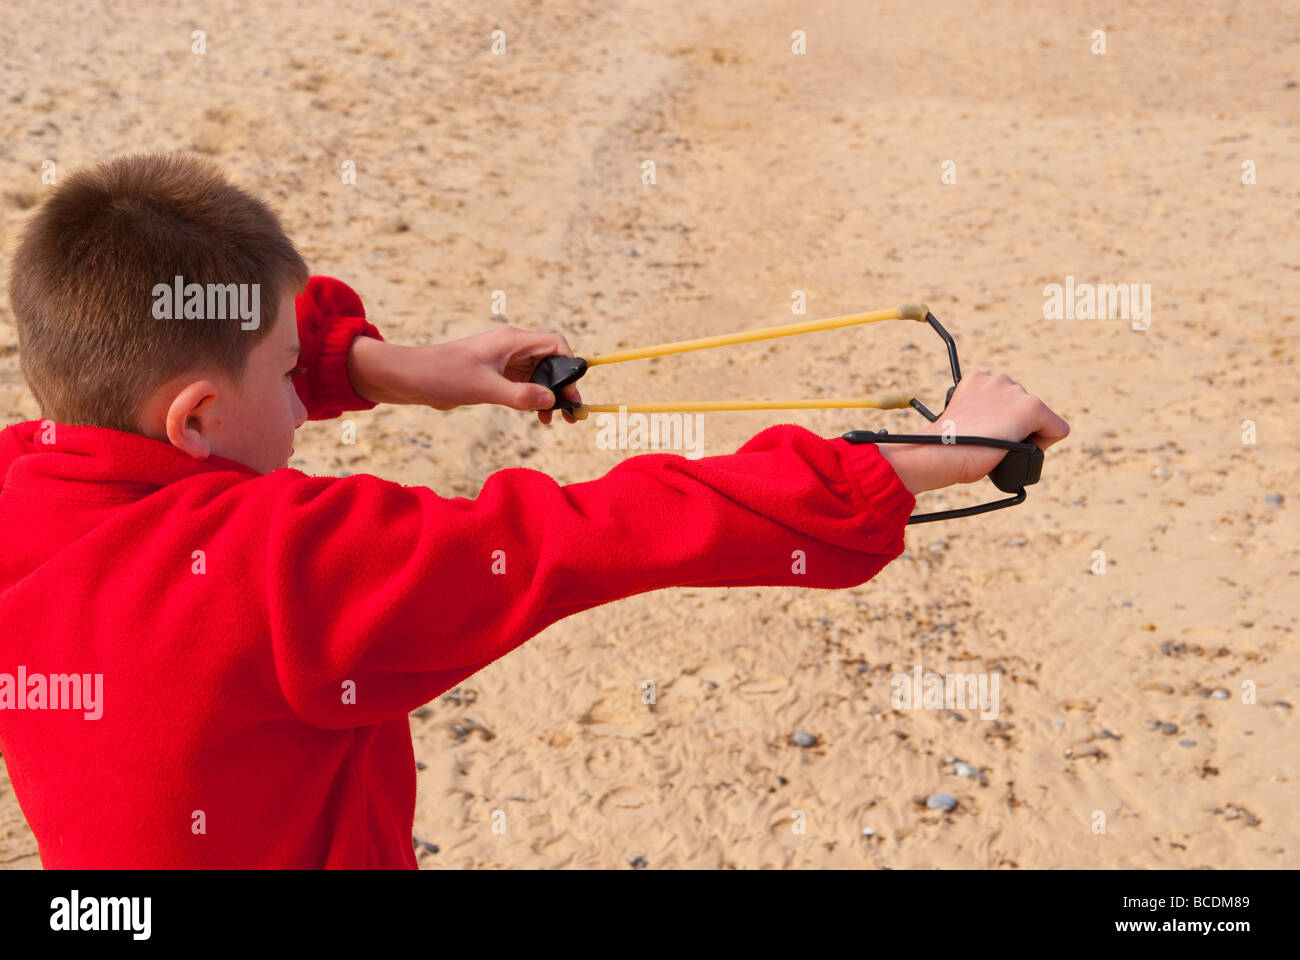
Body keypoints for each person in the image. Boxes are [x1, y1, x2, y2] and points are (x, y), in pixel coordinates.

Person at [0, 153, 1068, 867]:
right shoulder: (277, 569)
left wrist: (373, 366)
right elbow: (582, 535)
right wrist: (910, 461)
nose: (299, 398)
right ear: (193, 418)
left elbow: (172, 401)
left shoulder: (24, 490)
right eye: (287, 375)